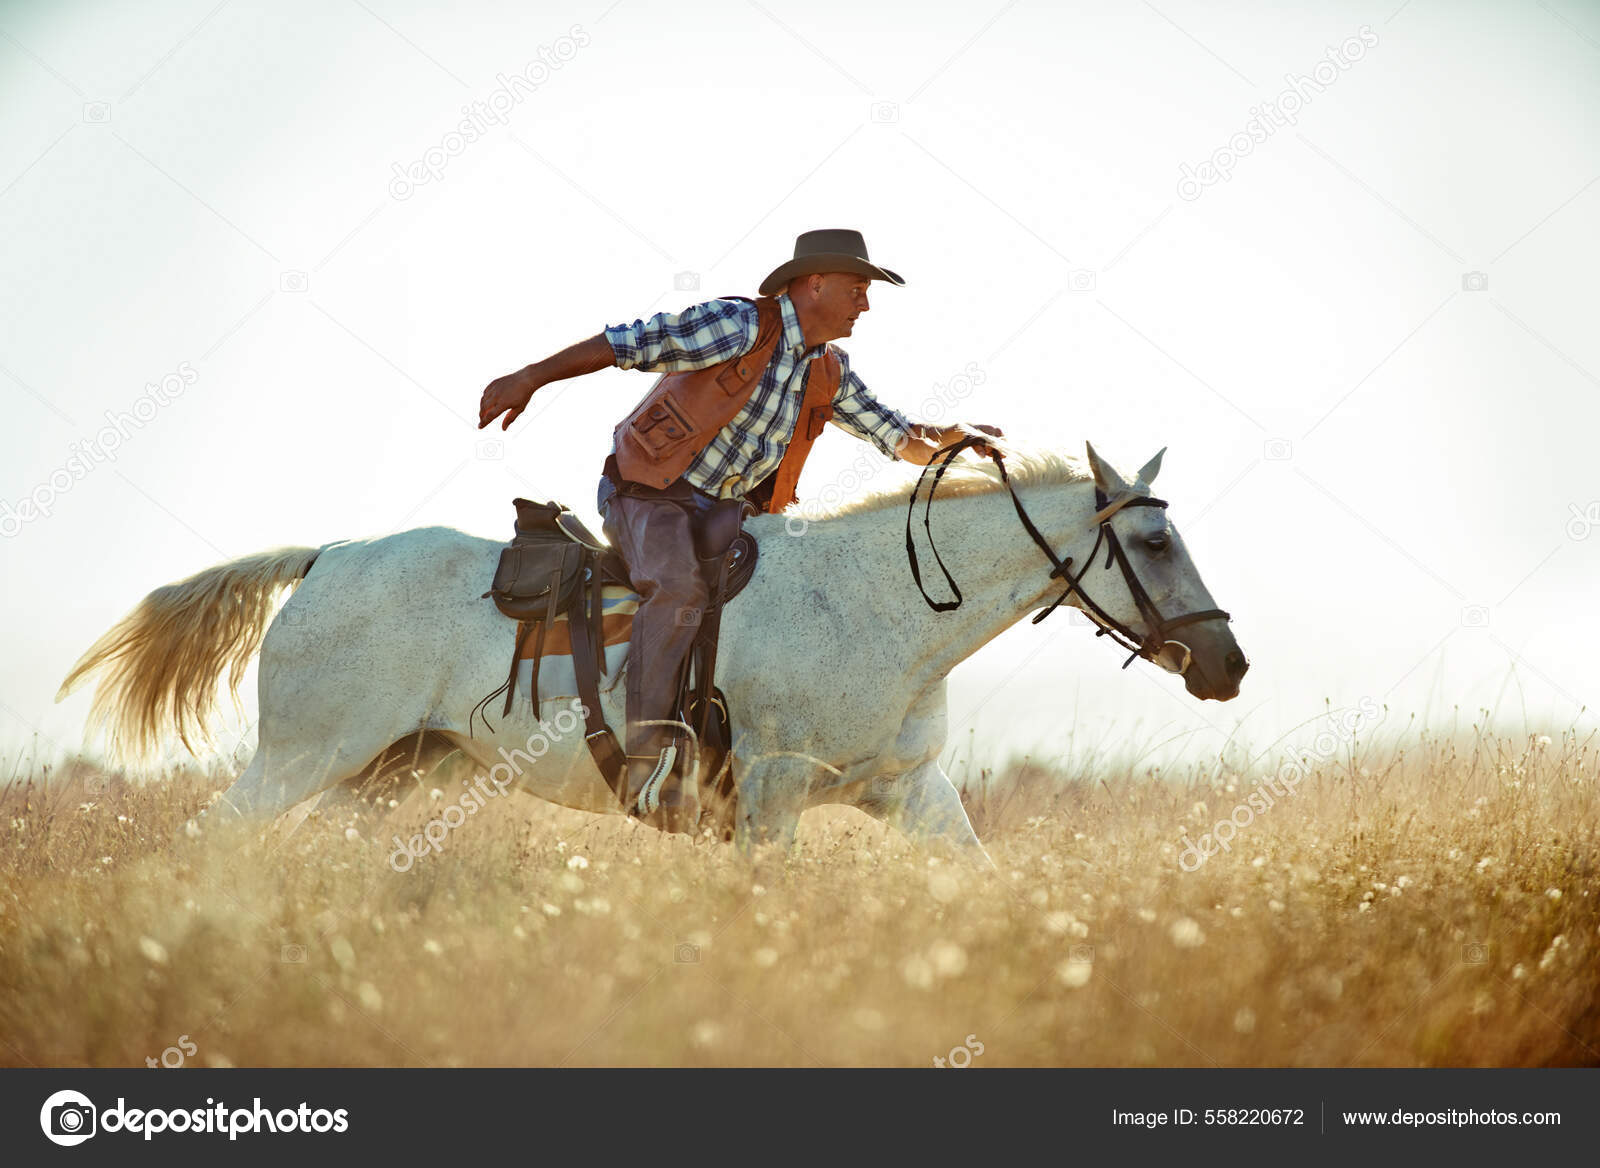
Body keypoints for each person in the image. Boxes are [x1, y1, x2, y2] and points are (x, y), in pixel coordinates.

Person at [478, 229, 1001, 831]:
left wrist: (955, 440)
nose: (865, 304)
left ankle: (724, 754)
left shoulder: (827, 369)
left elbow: (898, 436)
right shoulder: (739, 326)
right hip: (649, 494)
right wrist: (530, 377)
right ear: (814, 284)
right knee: (678, 588)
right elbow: (628, 343)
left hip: (726, 510)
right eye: (857, 289)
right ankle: (648, 757)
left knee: (782, 595)